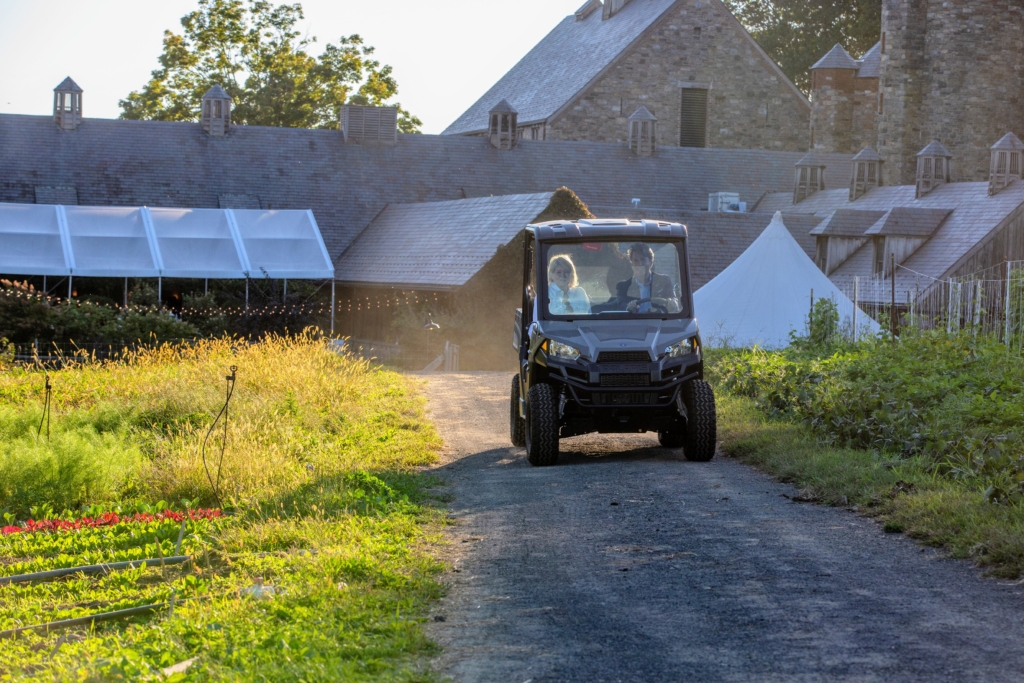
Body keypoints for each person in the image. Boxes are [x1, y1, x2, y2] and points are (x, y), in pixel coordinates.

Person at [615, 243, 680, 314]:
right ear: (632, 264)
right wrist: (630, 307)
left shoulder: (664, 281)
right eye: (635, 260)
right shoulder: (623, 286)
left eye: (643, 259)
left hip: (658, 321)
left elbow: (675, 304)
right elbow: (621, 307)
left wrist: (670, 303)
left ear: (651, 262)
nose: (639, 264)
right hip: (634, 323)